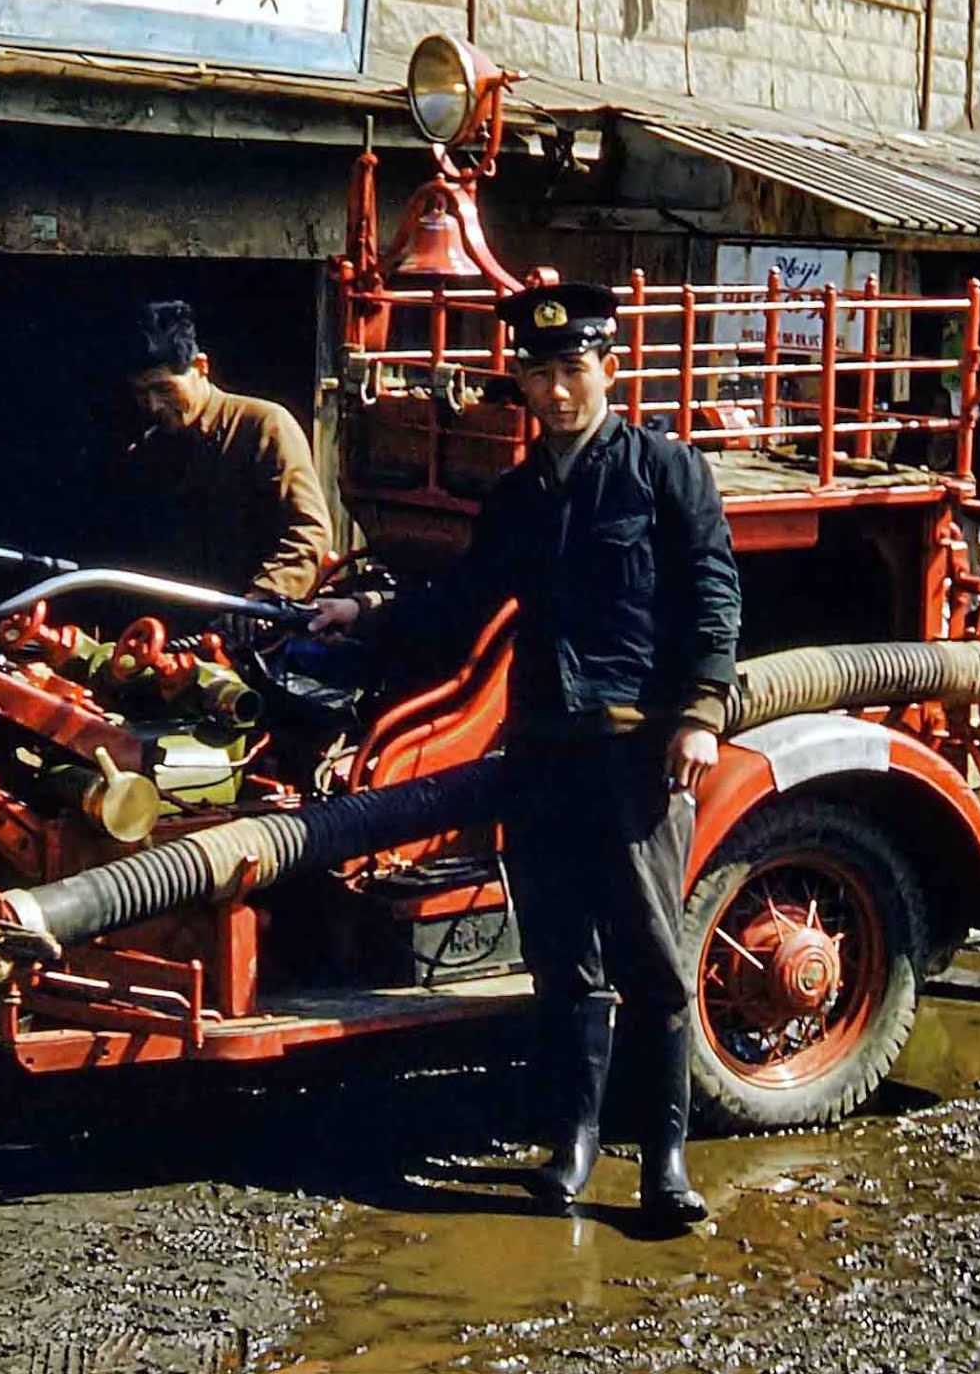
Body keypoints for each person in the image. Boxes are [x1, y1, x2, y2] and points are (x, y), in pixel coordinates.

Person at [310, 282, 742, 1228]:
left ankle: (663, 1162)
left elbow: (714, 596)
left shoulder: (665, 474)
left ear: (609, 369)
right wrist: (367, 616)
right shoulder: (516, 496)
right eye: (539, 374)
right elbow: (466, 601)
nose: (555, 391)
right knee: (561, 962)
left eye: (572, 370)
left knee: (655, 964)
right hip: (542, 757)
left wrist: (703, 709)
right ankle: (572, 1146)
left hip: (635, 760)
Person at [121, 301, 333, 606]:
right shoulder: (148, 452)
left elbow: (309, 530)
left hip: (263, 625)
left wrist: (265, 598)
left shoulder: (263, 426)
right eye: (142, 394)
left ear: (201, 368)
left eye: (164, 389)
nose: (154, 405)